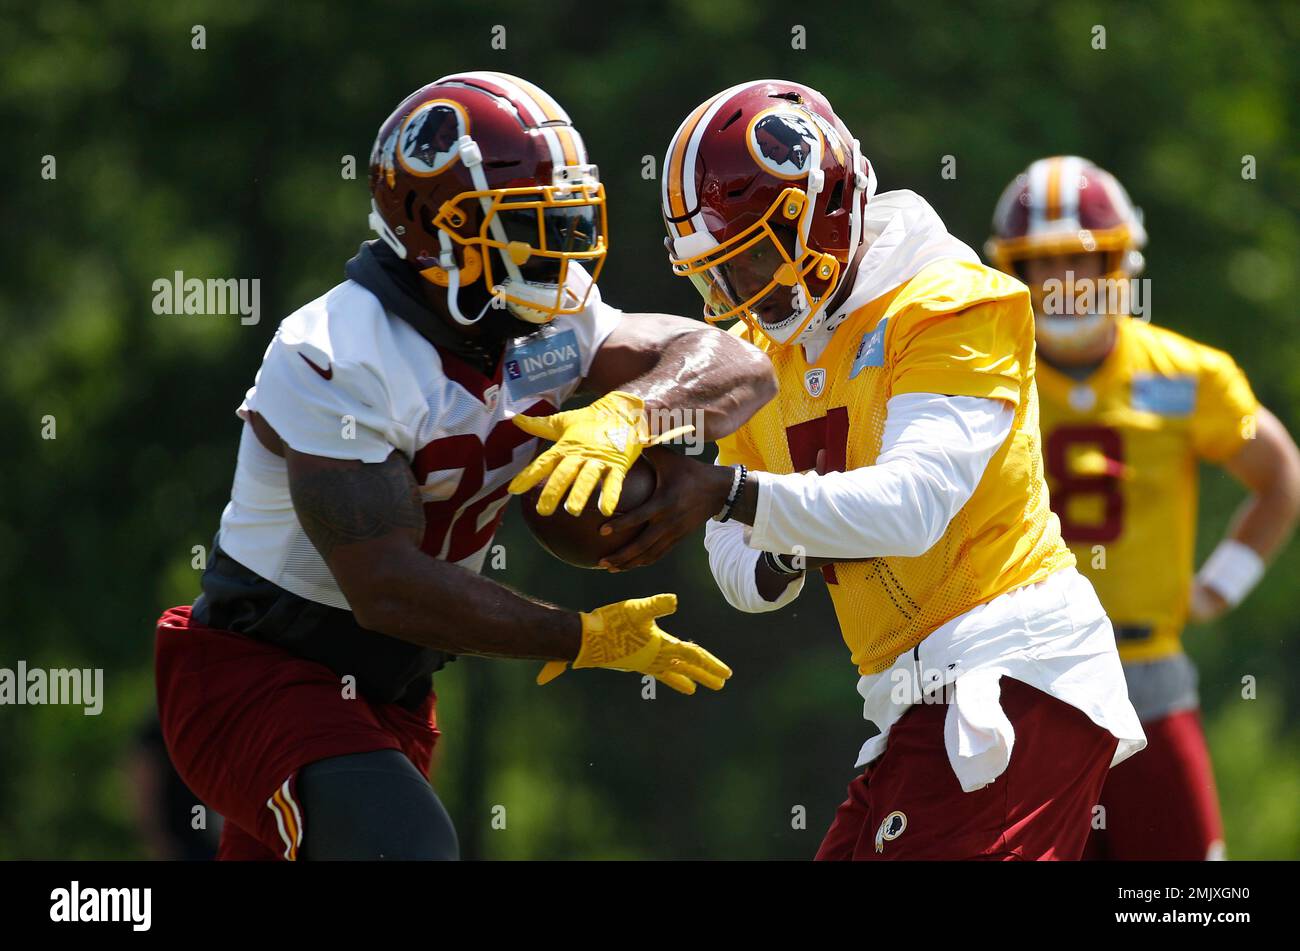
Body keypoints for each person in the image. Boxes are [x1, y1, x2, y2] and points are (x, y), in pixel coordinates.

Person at [154, 72, 775, 861]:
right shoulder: (339, 352)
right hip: (254, 671)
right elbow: (386, 587)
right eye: (527, 224)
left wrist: (633, 414)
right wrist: (575, 635)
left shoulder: (540, 318)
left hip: (394, 694)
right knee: (406, 847)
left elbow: (736, 363)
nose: (559, 249)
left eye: (563, 218)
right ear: (431, 227)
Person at [601, 80, 1146, 860]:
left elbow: (912, 507)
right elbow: (736, 551)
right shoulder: (764, 352)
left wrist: (733, 495)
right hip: (907, 697)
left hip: (1012, 669)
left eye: (752, 256)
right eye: (717, 275)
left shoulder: (949, 303)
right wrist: (765, 536)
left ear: (821, 209)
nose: (741, 292)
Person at [985, 156, 1300, 860]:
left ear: (1121, 262)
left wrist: (1220, 585)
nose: (1064, 281)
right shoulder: (980, 376)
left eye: (1084, 259)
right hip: (1018, 683)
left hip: (1145, 672)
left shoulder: (1187, 377)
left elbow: (1280, 475)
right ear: (1015, 272)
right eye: (1043, 262)